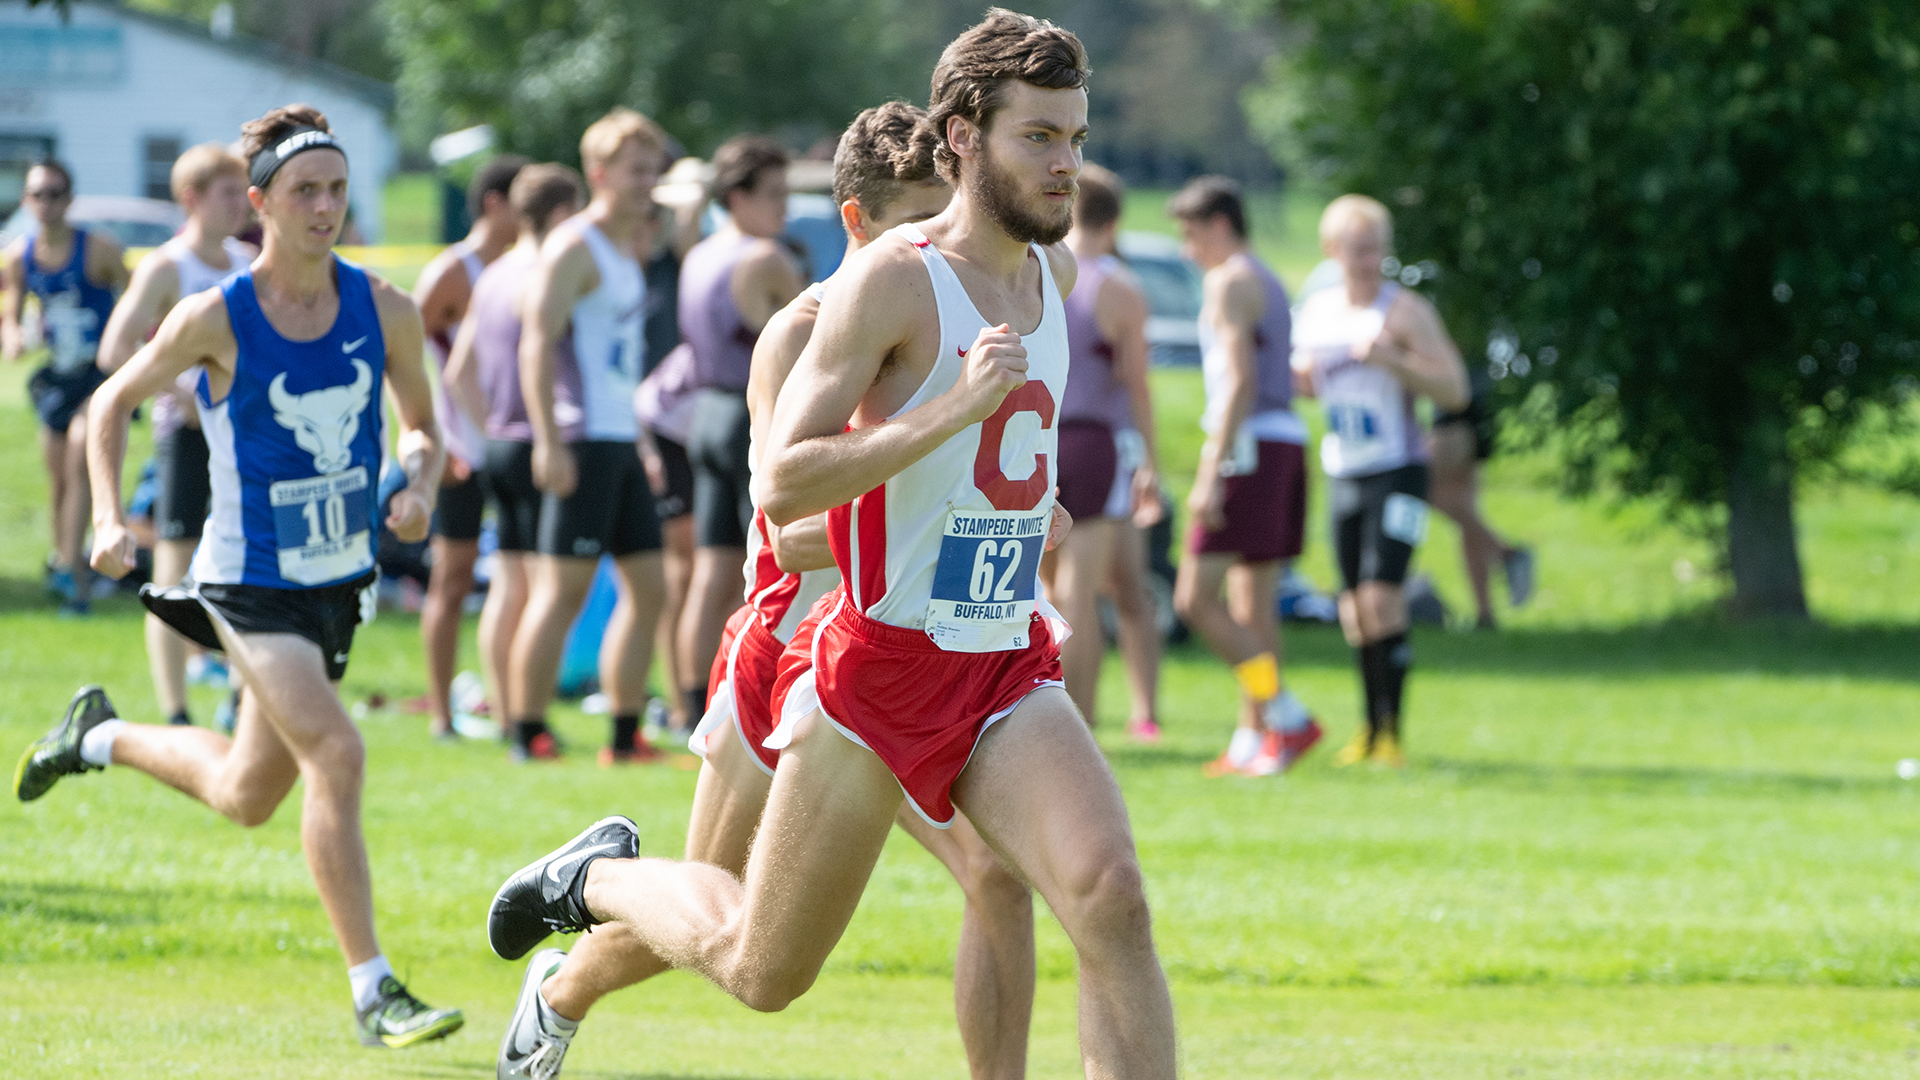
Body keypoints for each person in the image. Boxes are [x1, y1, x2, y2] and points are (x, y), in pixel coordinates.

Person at [486, 13, 1178, 1078]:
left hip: (1000, 660)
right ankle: (593, 885)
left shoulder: (1058, 276)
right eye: (1039, 137)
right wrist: (951, 411)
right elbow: (781, 482)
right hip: (872, 670)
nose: (1066, 164)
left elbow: (991, 465)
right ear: (963, 137)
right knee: (760, 967)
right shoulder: (888, 281)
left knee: (1108, 898)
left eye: (1076, 138)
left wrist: (1028, 507)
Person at [13, 105, 462, 1046]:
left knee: (248, 795)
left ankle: (96, 738)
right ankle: (375, 992)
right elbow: (109, 404)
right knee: (338, 754)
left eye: (338, 190)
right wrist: (103, 515)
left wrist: (417, 482)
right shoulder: (216, 314)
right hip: (244, 583)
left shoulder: (384, 306)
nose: (326, 207)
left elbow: (424, 427)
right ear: (258, 204)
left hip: (336, 585)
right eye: (306, 191)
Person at [509, 109, 670, 764]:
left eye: (652, 170)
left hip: (621, 440)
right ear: (598, 174)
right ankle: (525, 729)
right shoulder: (573, 246)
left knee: (651, 587)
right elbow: (536, 342)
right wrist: (547, 439)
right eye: (635, 171)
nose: (647, 183)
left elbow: (619, 359)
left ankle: (625, 734)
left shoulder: (629, 247)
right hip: (578, 440)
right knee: (562, 591)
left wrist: (643, 440)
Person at [1291, 194, 1469, 767]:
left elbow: (1456, 390)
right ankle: (1368, 730)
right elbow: (1309, 383)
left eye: (1377, 250)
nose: (1369, 261)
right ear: (1331, 250)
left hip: (1400, 470)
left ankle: (1392, 731)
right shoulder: (1317, 312)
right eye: (1357, 250)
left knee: (1382, 595)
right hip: (1344, 468)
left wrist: (1397, 362)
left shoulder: (1404, 311)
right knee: (1353, 608)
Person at [1168, 176, 1321, 777]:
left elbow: (1236, 381)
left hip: (1247, 447)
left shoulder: (1230, 279)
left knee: (1193, 598)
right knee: (1253, 606)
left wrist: (1211, 469)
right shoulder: (1269, 277)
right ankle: (1255, 738)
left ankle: (1284, 714)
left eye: (1191, 234)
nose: (1187, 250)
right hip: (1283, 444)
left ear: (1221, 226)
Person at [97, 144, 255, 725]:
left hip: (244, 439)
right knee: (173, 572)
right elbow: (115, 348)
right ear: (191, 198)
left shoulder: (248, 262)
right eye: (228, 193)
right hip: (186, 439)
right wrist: (178, 391)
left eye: (244, 192)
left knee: (247, 567)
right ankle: (176, 714)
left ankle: (243, 698)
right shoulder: (168, 266)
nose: (241, 204)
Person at [443, 163, 586, 739]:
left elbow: (457, 374)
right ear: (559, 213)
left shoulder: (494, 273)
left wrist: (487, 433)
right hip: (535, 442)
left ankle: (506, 713)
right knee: (537, 590)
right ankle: (525, 719)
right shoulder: (546, 274)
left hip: (500, 443)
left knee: (507, 585)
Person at [673, 135, 804, 728]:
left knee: (709, 572)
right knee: (758, 573)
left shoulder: (699, 252)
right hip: (745, 417)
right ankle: (739, 704)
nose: (785, 209)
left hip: (702, 415)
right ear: (737, 196)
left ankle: (686, 704)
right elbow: (815, 338)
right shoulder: (763, 258)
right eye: (774, 195)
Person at [411, 153, 530, 737]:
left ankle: (510, 710)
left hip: (511, 446)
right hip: (459, 450)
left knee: (520, 579)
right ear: (494, 203)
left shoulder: (525, 267)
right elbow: (404, 361)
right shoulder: (452, 272)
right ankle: (440, 714)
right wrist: (430, 439)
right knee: (451, 579)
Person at [1041, 163, 1160, 733]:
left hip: (1036, 435)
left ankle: (1048, 715)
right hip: (1091, 439)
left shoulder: (1037, 268)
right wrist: (1153, 463)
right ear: (1114, 222)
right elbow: (1137, 381)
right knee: (1077, 591)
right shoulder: (1116, 286)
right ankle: (1078, 722)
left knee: (1043, 588)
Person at [2, 159, 129, 616]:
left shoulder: (97, 249)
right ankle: (63, 560)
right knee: (58, 479)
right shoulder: (21, 255)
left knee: (80, 459)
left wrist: (128, 346)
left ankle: (77, 584)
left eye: (55, 193)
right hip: (57, 375)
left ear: (69, 199)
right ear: (26, 201)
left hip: (99, 375)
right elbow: (12, 313)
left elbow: (136, 297)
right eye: (38, 194)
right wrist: (14, 335)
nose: (46, 203)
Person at [1428, 377, 1533, 628]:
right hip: (1478, 406)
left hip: (1456, 413)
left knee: (1417, 485)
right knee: (1465, 508)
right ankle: (1485, 616)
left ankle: (1506, 553)